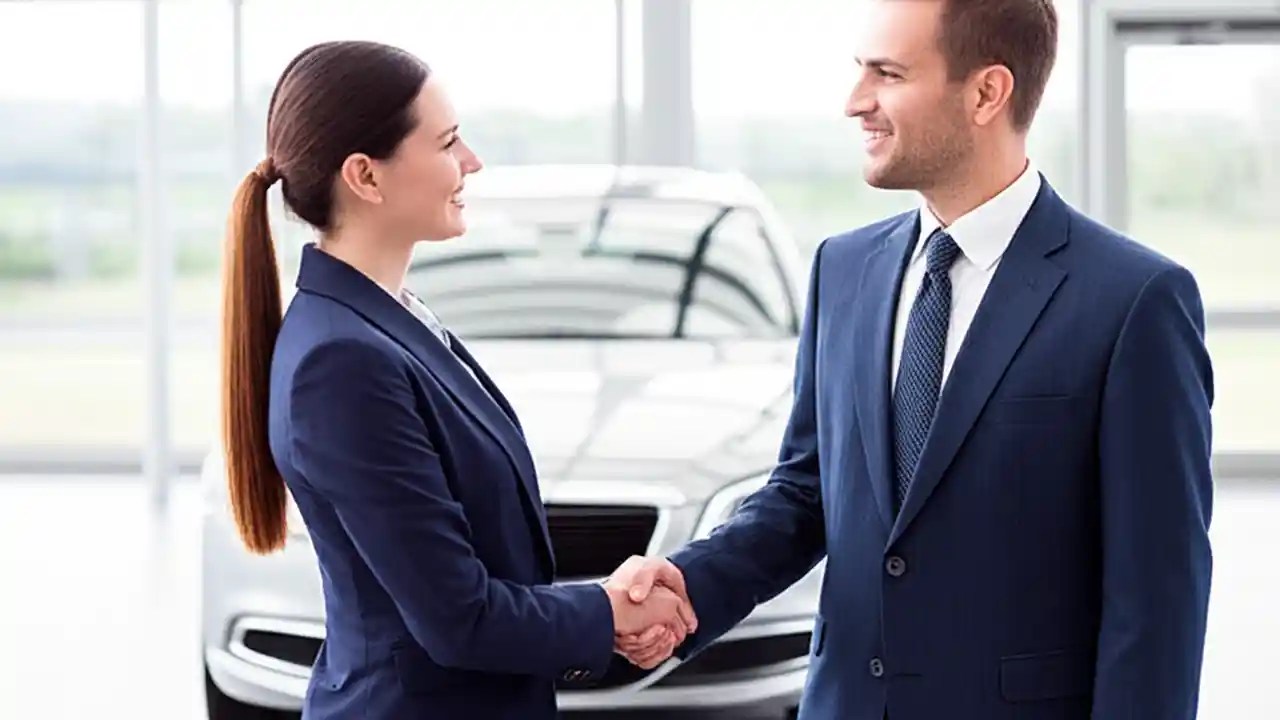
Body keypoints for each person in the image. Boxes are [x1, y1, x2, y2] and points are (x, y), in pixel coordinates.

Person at [609, 1, 1215, 718]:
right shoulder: (844, 268)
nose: (855, 102)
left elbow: (1156, 599)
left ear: (988, 93)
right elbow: (807, 493)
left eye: (887, 74)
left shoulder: (1134, 300)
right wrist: (687, 583)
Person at [218, 40, 694, 720]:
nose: (471, 162)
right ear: (366, 177)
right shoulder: (342, 363)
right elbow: (456, 617)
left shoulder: (386, 319)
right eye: (447, 143)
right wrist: (607, 612)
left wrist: (603, 601)